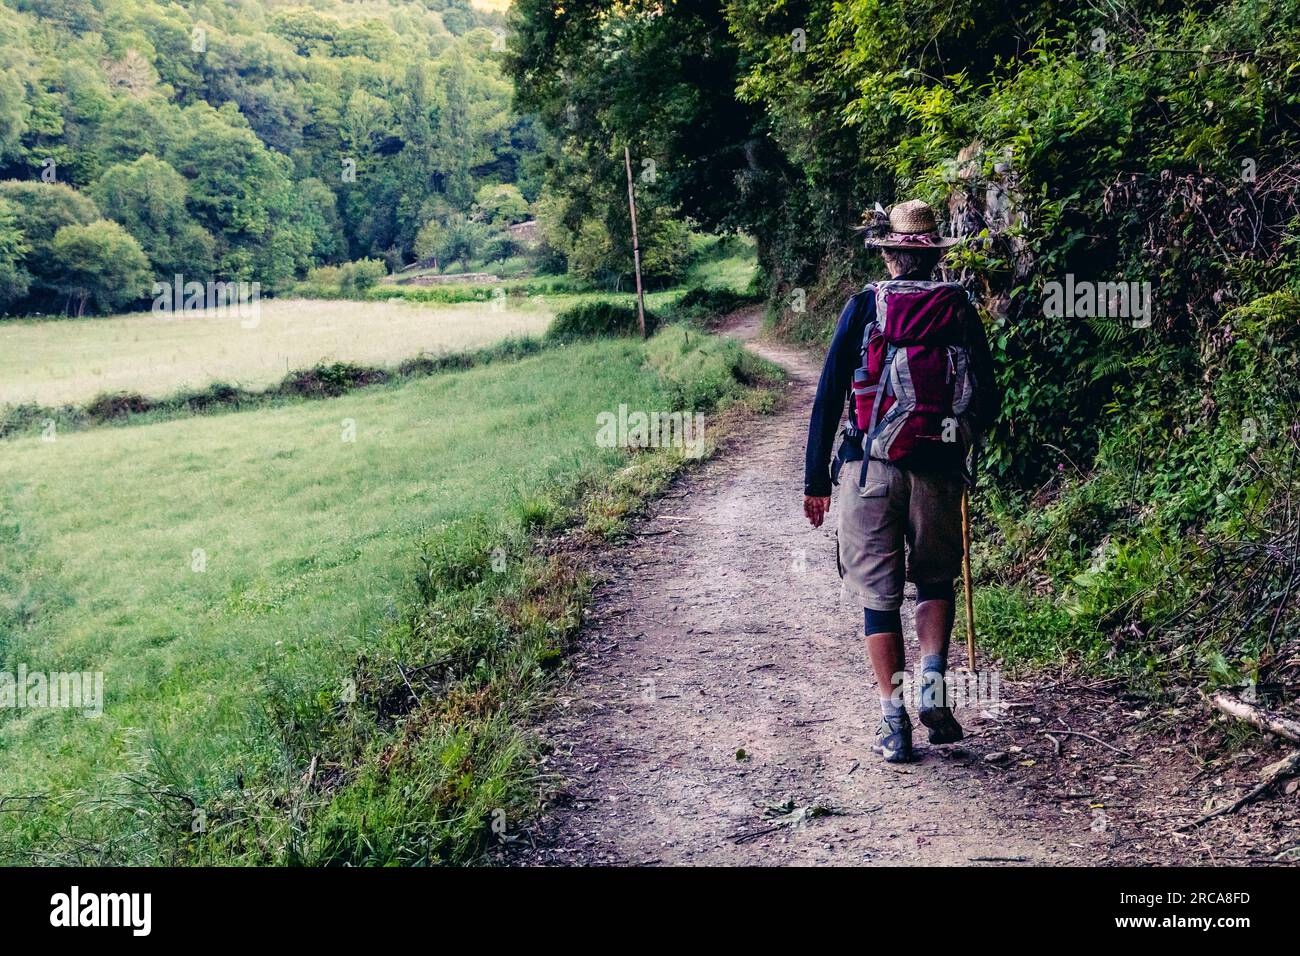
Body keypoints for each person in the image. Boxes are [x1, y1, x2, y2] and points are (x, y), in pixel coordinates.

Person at [803, 199, 999, 763]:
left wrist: (817, 479)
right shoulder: (958, 306)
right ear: (935, 256)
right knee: (935, 581)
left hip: (870, 471)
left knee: (878, 597)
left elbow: (829, 393)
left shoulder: (865, 305)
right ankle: (934, 684)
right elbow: (988, 398)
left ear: (890, 255)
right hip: (938, 473)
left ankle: (895, 722)